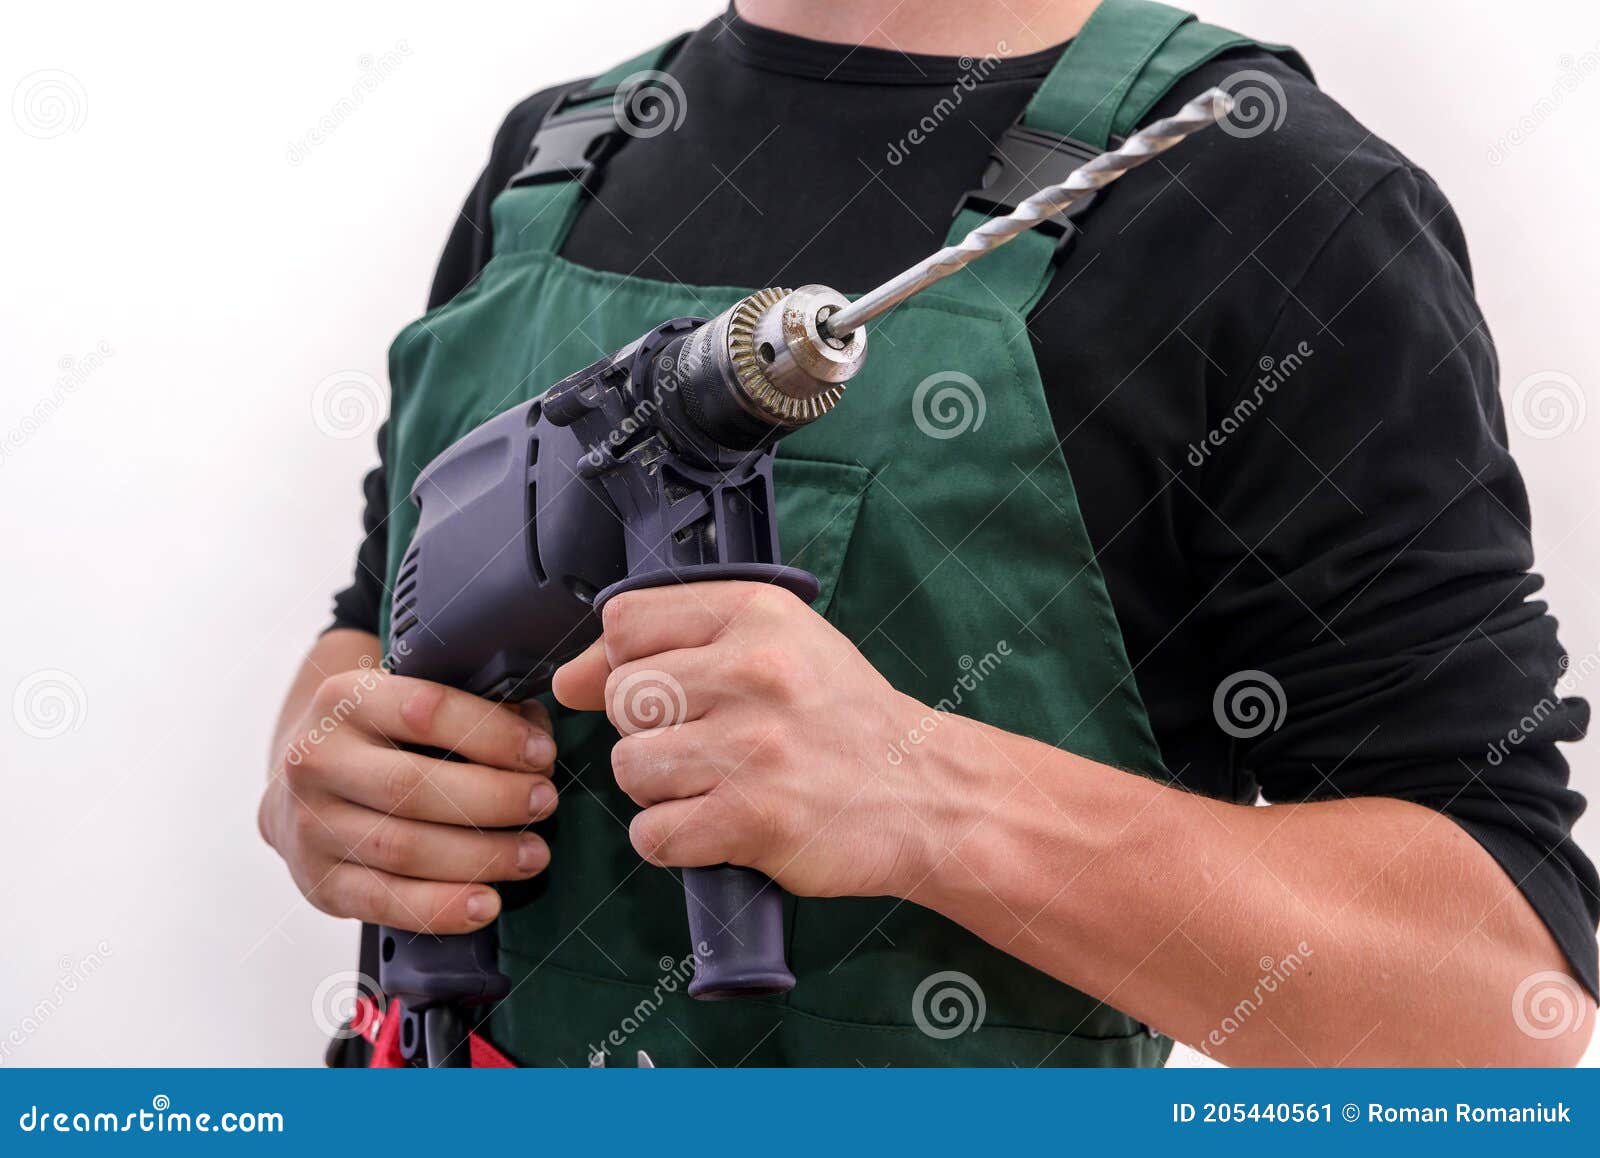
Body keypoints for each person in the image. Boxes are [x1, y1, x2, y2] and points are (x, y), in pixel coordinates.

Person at [261, 0, 1598, 1066]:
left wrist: (925, 793)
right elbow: (371, 618)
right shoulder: (553, 157)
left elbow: (1492, 1011)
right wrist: (321, 765)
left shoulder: (1270, 202)